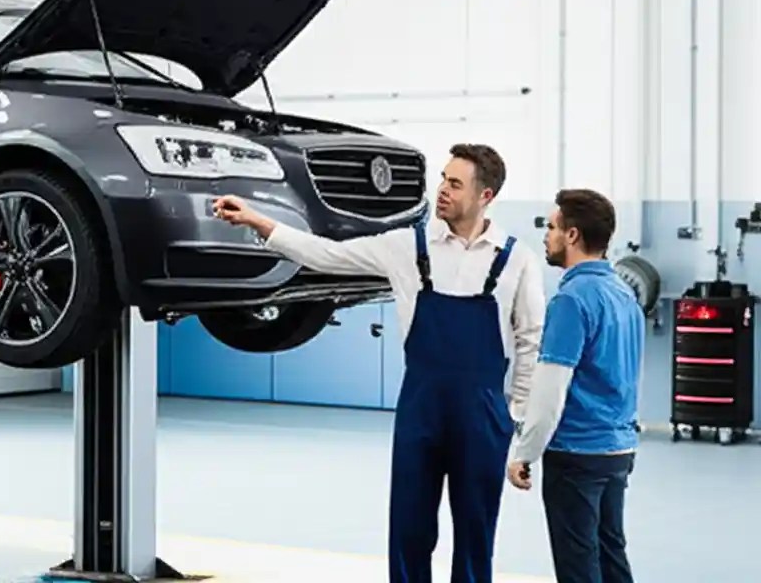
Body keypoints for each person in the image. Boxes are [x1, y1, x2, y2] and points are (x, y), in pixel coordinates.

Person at [212, 143, 545, 583]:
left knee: (476, 534)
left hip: (483, 416)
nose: (441, 189)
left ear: (485, 197)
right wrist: (258, 220)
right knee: (409, 529)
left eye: (455, 183)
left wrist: (515, 415)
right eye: (443, 178)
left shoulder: (515, 259)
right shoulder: (406, 246)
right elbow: (326, 254)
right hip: (420, 410)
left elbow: (530, 342)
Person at [505, 188, 643, 583]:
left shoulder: (571, 300)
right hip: (618, 450)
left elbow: (549, 391)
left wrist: (524, 452)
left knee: (578, 566)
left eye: (551, 227)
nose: (545, 235)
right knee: (611, 555)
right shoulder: (624, 296)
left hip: (577, 454)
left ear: (572, 235)